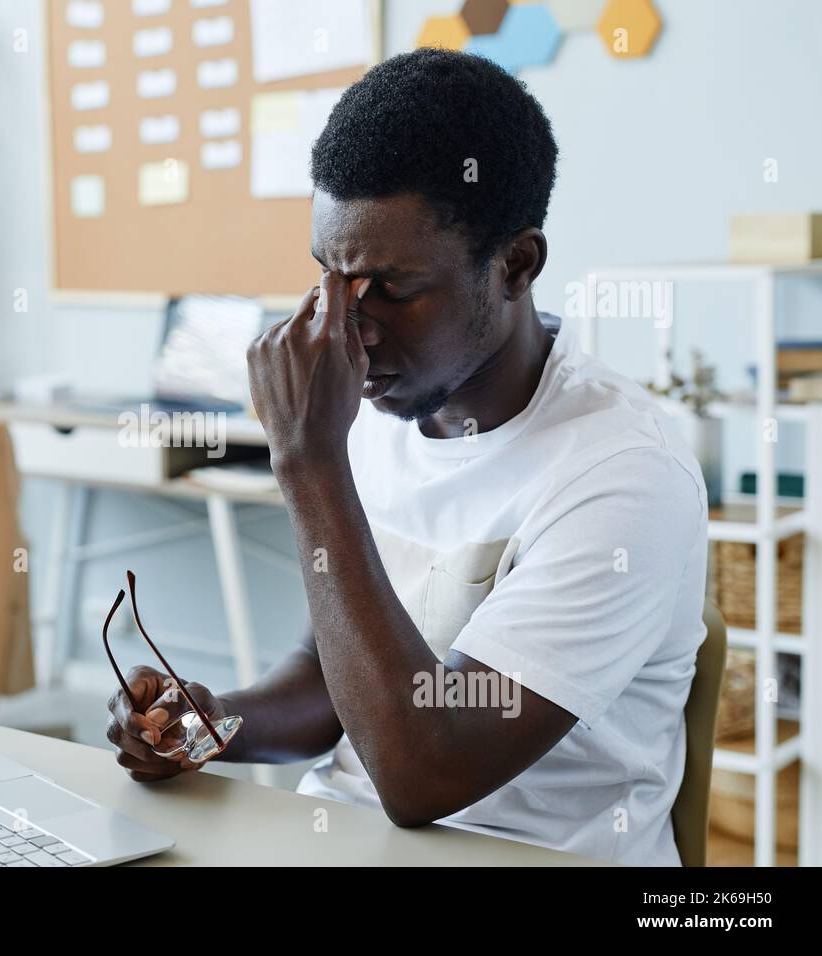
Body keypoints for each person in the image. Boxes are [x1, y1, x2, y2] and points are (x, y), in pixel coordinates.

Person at [105, 49, 708, 866]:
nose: (350, 328)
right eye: (330, 276)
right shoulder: (384, 405)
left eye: (392, 287)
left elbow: (423, 772)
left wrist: (307, 462)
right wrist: (213, 723)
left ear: (515, 267)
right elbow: (331, 676)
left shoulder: (622, 475)